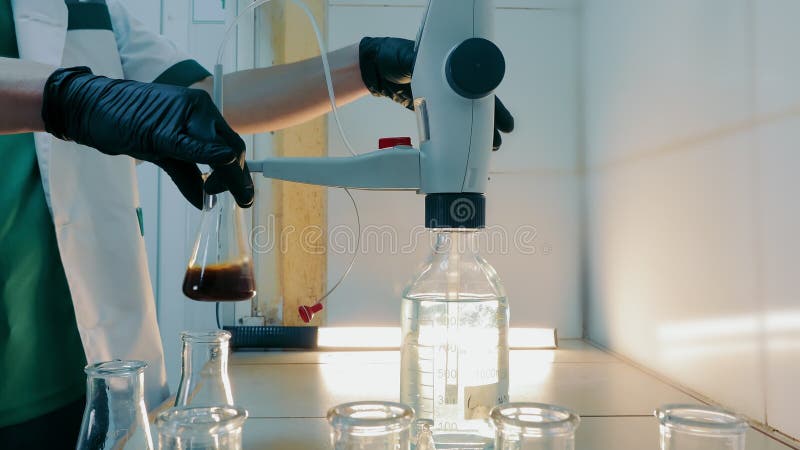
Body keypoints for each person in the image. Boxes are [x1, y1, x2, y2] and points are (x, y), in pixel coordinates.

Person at [0, 0, 514, 447]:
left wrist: (363, 67)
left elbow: (207, 100)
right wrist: (69, 98)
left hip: (81, 369)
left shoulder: (88, 10)